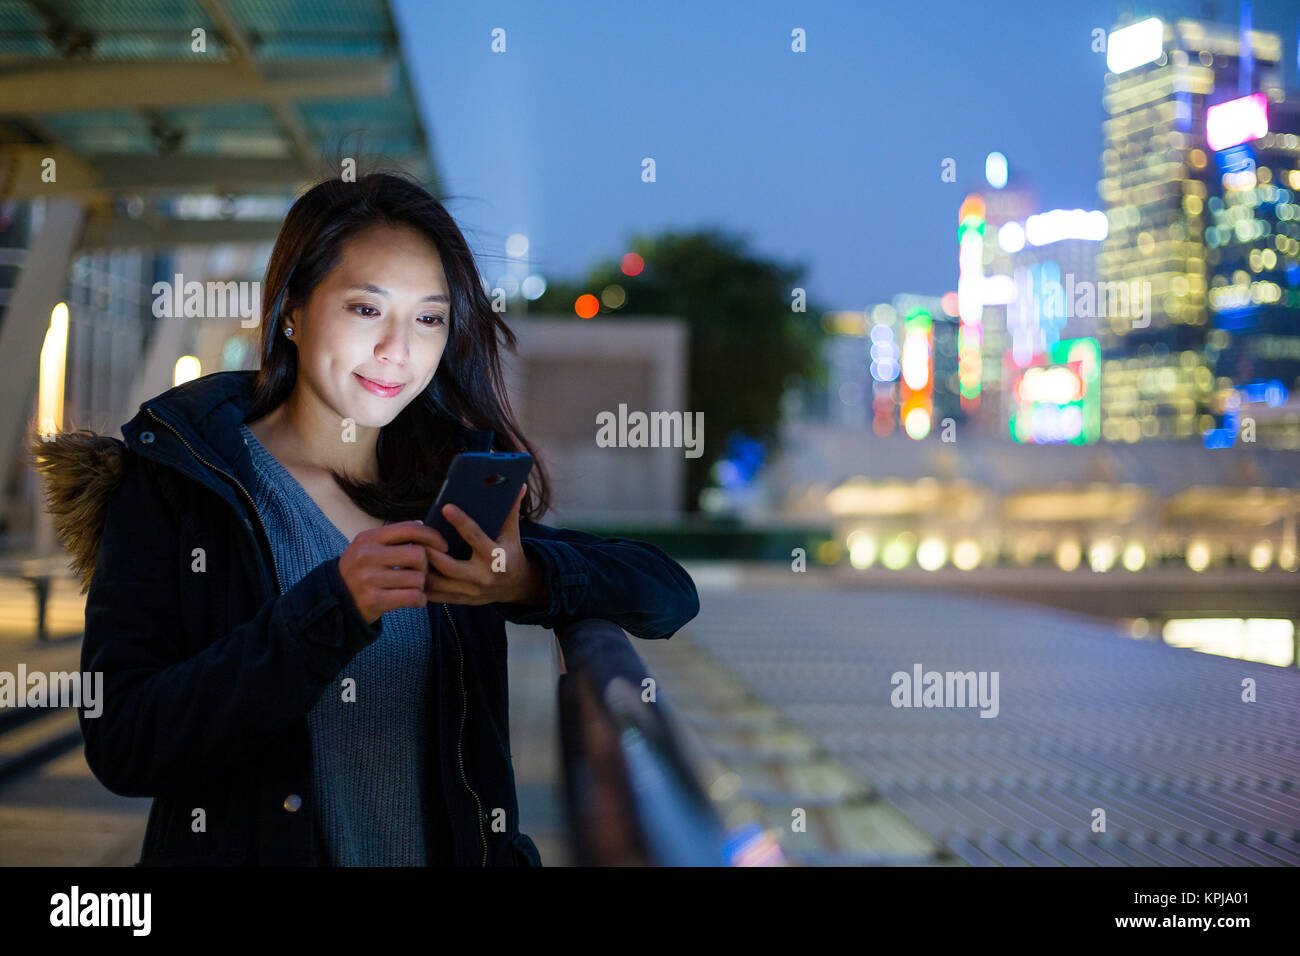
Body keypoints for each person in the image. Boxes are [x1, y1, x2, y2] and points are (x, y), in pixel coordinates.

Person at [28, 171, 700, 867]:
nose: (397, 350)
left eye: (429, 318)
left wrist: (525, 579)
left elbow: (668, 594)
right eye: (365, 309)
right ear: (291, 309)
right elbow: (124, 742)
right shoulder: (183, 481)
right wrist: (329, 612)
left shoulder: (441, 490)